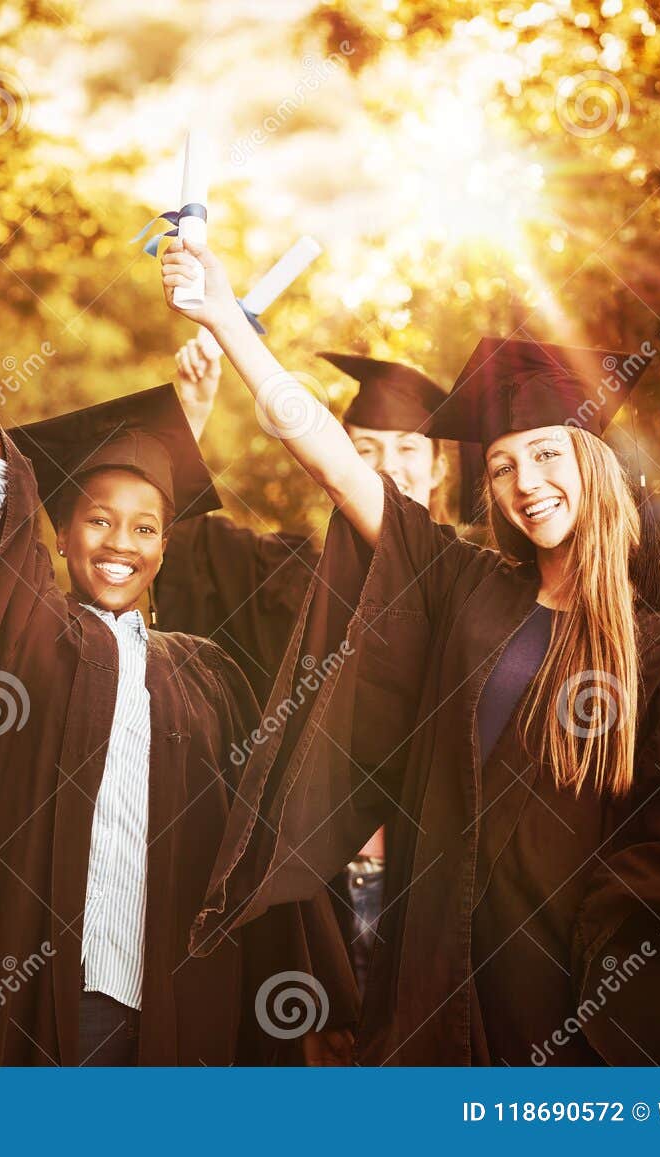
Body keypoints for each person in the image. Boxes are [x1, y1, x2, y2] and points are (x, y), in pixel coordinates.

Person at [160, 235, 660, 1066]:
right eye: (503, 465)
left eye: (547, 454)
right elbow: (334, 463)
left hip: (575, 993)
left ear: (593, 460)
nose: (525, 482)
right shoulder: (466, 584)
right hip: (437, 975)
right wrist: (224, 314)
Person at [0, 161, 356, 1065]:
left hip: (172, 1015)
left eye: (144, 526)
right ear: (65, 528)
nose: (119, 542)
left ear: (167, 543)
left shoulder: (208, 674)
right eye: (98, 519)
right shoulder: (30, 630)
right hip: (27, 1008)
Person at [158, 339, 468, 1000]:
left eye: (410, 449)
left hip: (441, 891)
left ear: (440, 466)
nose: (390, 468)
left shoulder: (480, 588)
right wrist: (190, 412)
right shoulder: (281, 575)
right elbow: (174, 545)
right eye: (366, 450)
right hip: (306, 889)